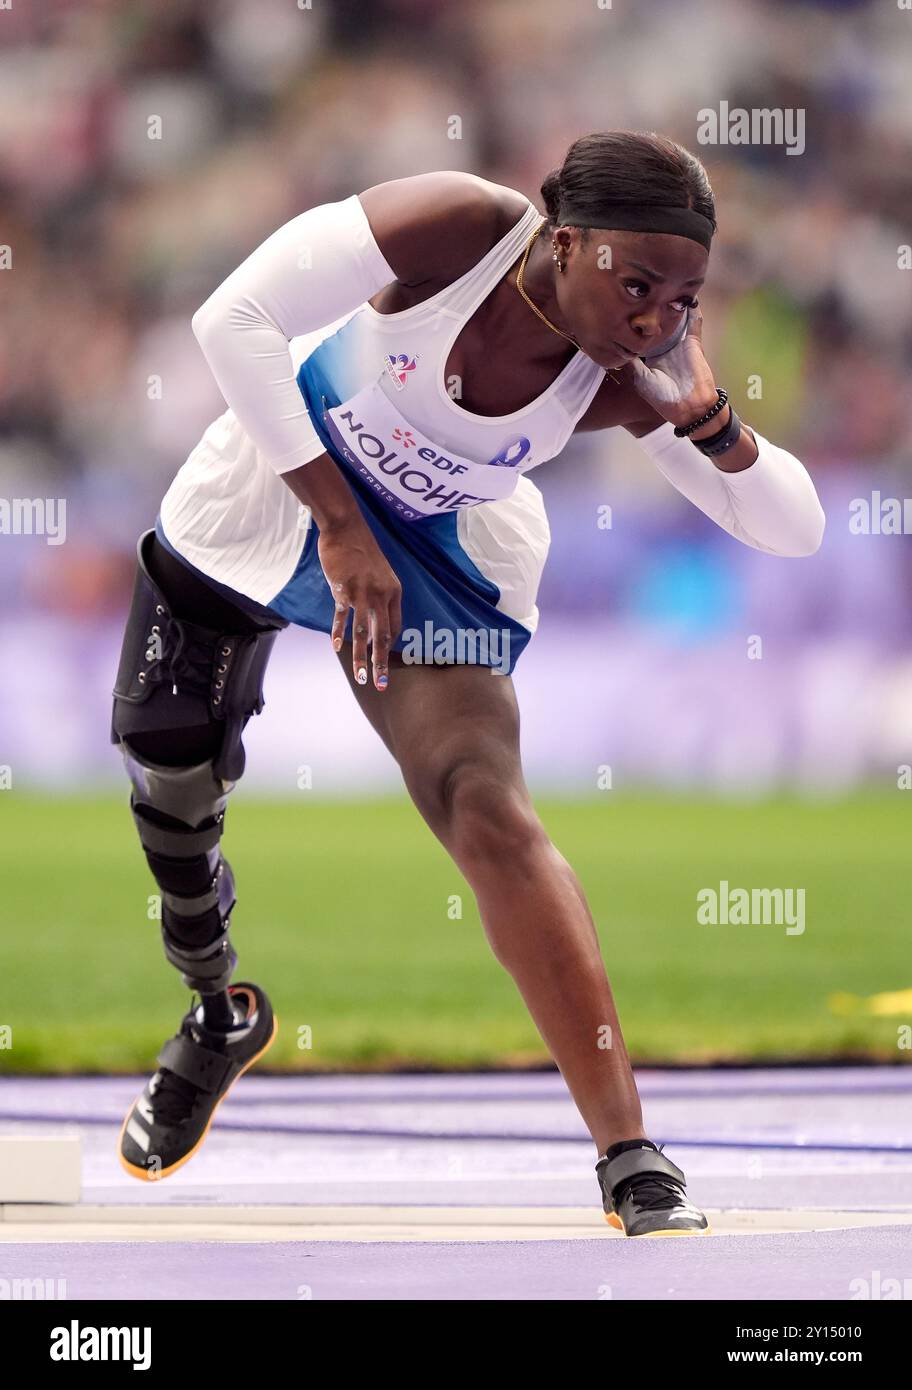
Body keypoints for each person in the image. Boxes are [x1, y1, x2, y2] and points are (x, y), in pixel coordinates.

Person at [111, 131, 824, 1235]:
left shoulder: (630, 379)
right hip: (275, 479)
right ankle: (216, 1012)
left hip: (432, 553)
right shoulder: (456, 226)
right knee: (169, 775)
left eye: (684, 296)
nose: (656, 319)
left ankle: (631, 1156)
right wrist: (339, 522)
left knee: (485, 806)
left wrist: (712, 423)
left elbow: (793, 528)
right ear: (565, 238)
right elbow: (231, 321)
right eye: (635, 284)